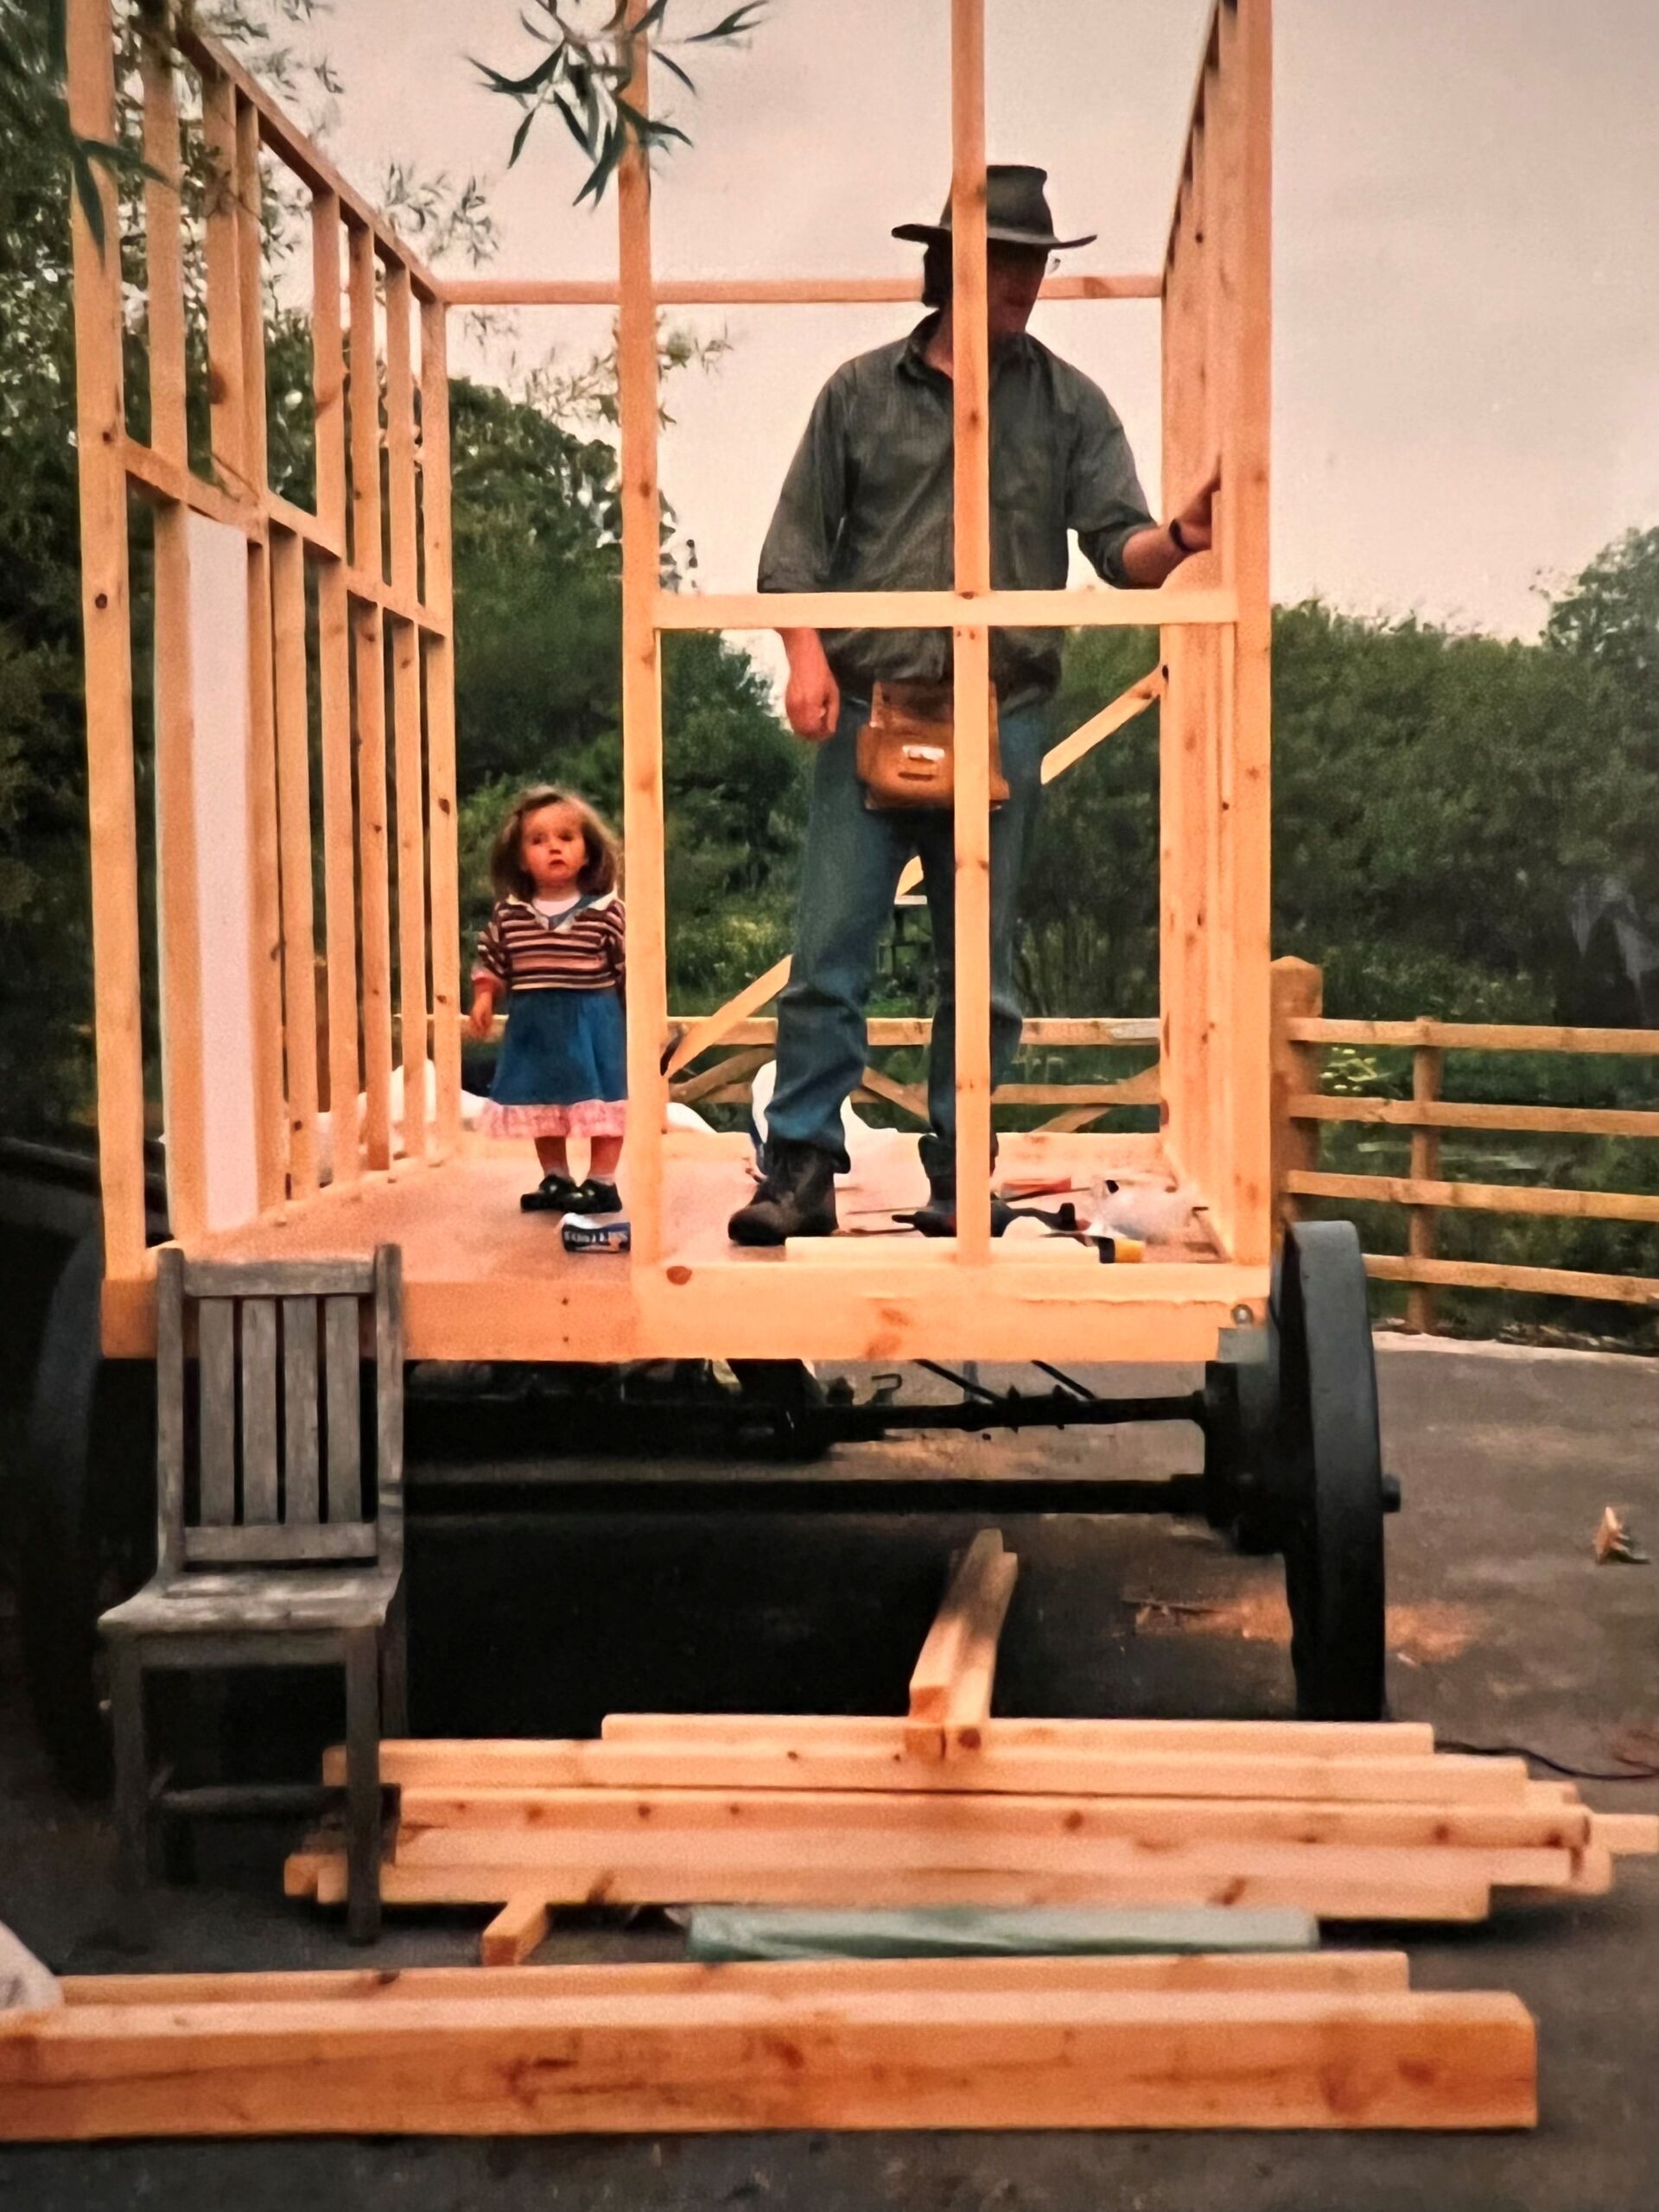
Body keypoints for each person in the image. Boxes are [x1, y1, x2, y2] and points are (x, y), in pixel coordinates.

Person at [728, 164, 1217, 1247]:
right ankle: (800, 1166)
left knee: (981, 962)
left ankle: (963, 1172)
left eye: (1035, 264)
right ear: (949, 265)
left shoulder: (1068, 404)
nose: (1022, 282)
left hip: (1001, 711)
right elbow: (792, 551)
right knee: (830, 947)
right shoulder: (859, 394)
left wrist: (1181, 538)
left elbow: (1120, 550)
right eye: (1003, 261)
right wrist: (804, 659)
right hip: (872, 703)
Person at [467, 785, 627, 1215]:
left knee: (606, 1099)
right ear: (521, 859)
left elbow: (629, 966)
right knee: (543, 1101)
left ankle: (602, 1181)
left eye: (566, 838)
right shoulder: (511, 915)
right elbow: (492, 959)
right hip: (535, 1024)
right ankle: (555, 1176)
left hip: (594, 1022)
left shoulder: (606, 912)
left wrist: (638, 1020)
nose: (553, 847)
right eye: (538, 841)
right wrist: (484, 997)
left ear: (588, 852)